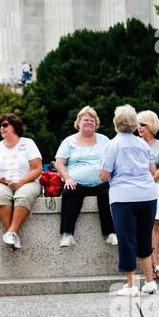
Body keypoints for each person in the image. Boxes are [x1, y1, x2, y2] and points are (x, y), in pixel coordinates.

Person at [99, 105, 158, 297]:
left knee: (127, 239)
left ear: (116, 122)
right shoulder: (143, 144)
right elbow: (152, 170)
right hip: (148, 196)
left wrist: (101, 173)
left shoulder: (111, 145)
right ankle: (149, 282)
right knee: (144, 237)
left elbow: (104, 174)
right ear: (133, 123)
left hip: (123, 198)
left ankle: (131, 285)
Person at [54, 106, 117, 248]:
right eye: (85, 120)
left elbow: (112, 160)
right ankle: (67, 234)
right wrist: (67, 178)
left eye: (92, 120)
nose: (89, 122)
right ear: (78, 122)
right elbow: (59, 163)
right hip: (76, 182)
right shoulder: (68, 141)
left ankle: (111, 233)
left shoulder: (104, 140)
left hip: (100, 181)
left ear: (96, 123)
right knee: (70, 193)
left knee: (109, 193)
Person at [0, 114, 42, 250]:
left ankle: (11, 232)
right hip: (2, 183)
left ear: (14, 126)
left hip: (27, 181)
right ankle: (12, 236)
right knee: (0, 195)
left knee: (24, 195)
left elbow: (37, 168)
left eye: (4, 125)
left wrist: (21, 182)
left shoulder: (28, 143)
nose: (1, 128)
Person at [137, 110, 159, 275]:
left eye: (143, 124)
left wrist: (149, 182)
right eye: (138, 124)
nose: (139, 127)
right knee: (144, 224)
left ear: (151, 125)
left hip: (156, 186)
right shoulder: (134, 143)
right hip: (137, 187)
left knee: (155, 224)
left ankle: (153, 263)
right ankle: (154, 264)